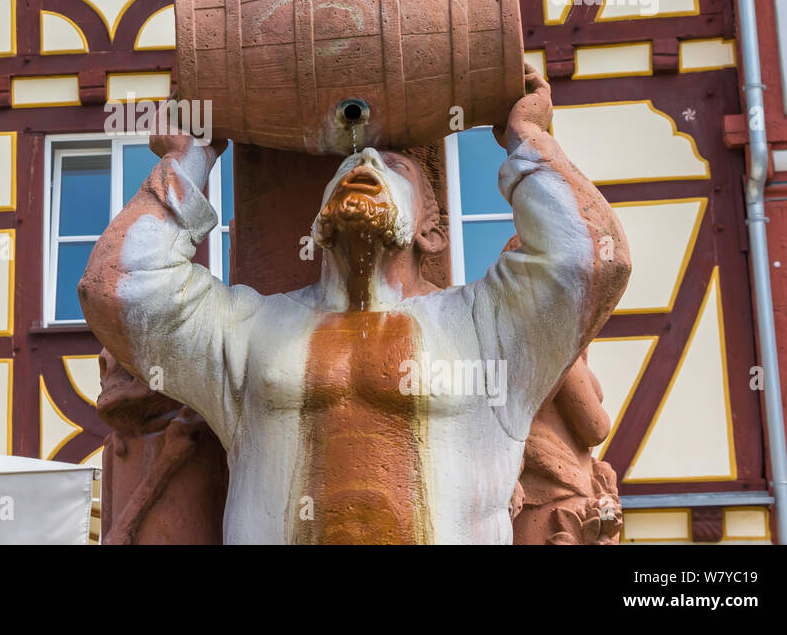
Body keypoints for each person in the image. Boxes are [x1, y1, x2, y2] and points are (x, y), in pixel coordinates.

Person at [79, 64, 630, 544]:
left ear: (432, 233)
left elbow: (592, 261)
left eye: (397, 169)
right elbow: (121, 287)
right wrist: (187, 160)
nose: (364, 158)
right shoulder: (252, 331)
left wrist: (527, 139)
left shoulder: (486, 326)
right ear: (317, 227)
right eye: (347, 168)